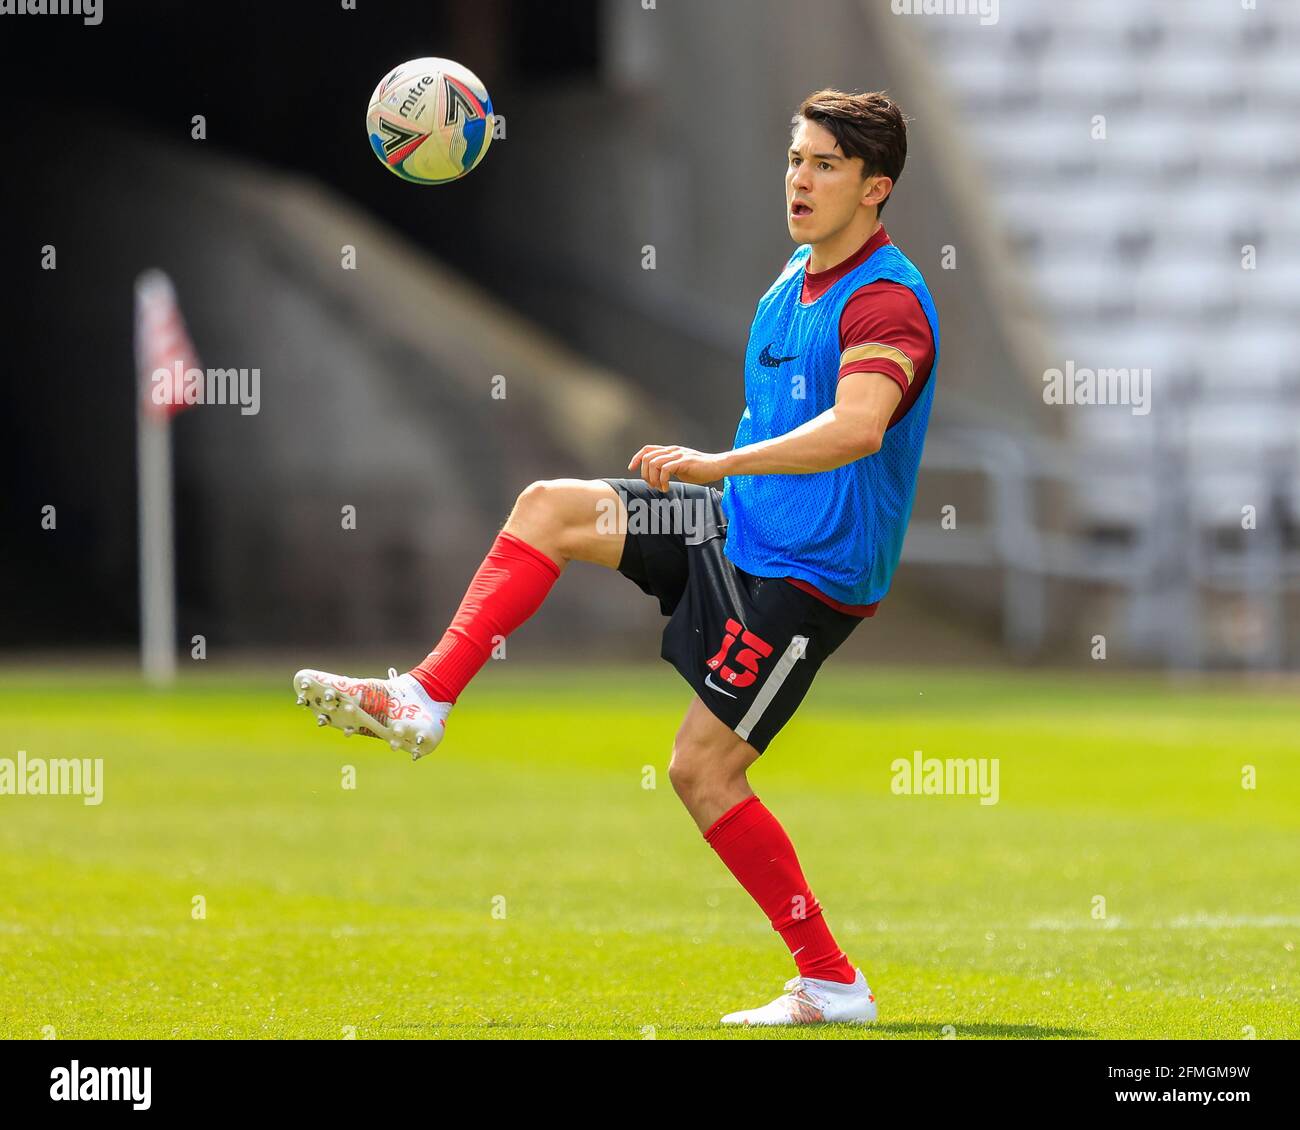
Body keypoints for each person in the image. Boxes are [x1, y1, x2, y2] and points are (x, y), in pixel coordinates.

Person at [294, 88, 938, 1027]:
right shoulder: (792, 278)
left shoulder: (885, 300)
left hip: (807, 579)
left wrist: (717, 463)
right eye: (796, 159)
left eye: (825, 166)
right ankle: (425, 699)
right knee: (549, 508)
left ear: (876, 188)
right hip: (734, 529)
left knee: (701, 773)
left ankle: (834, 984)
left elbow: (857, 428)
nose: (799, 179)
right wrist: (723, 486)